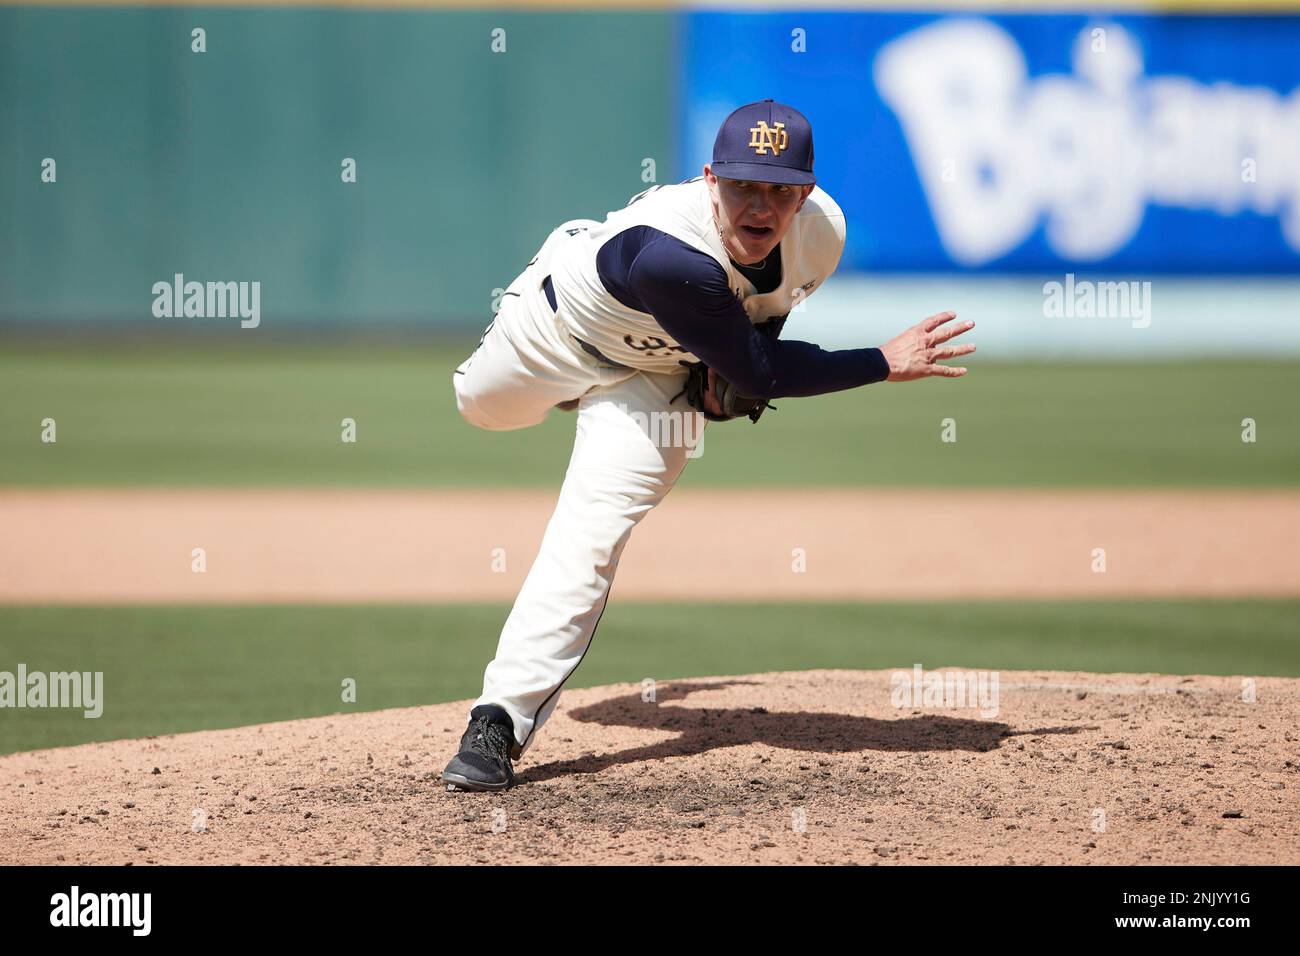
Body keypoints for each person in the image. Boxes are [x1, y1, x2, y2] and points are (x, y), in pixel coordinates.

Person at [442, 99, 976, 791]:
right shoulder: (673, 255)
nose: (760, 206)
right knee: (482, 410)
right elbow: (758, 371)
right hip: (558, 332)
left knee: (591, 534)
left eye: (780, 189)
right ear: (708, 180)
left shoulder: (822, 236)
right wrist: (879, 361)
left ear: (806, 193)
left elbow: (762, 338)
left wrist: (727, 380)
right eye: (742, 185)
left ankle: (497, 723)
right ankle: (571, 352)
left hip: (658, 376)